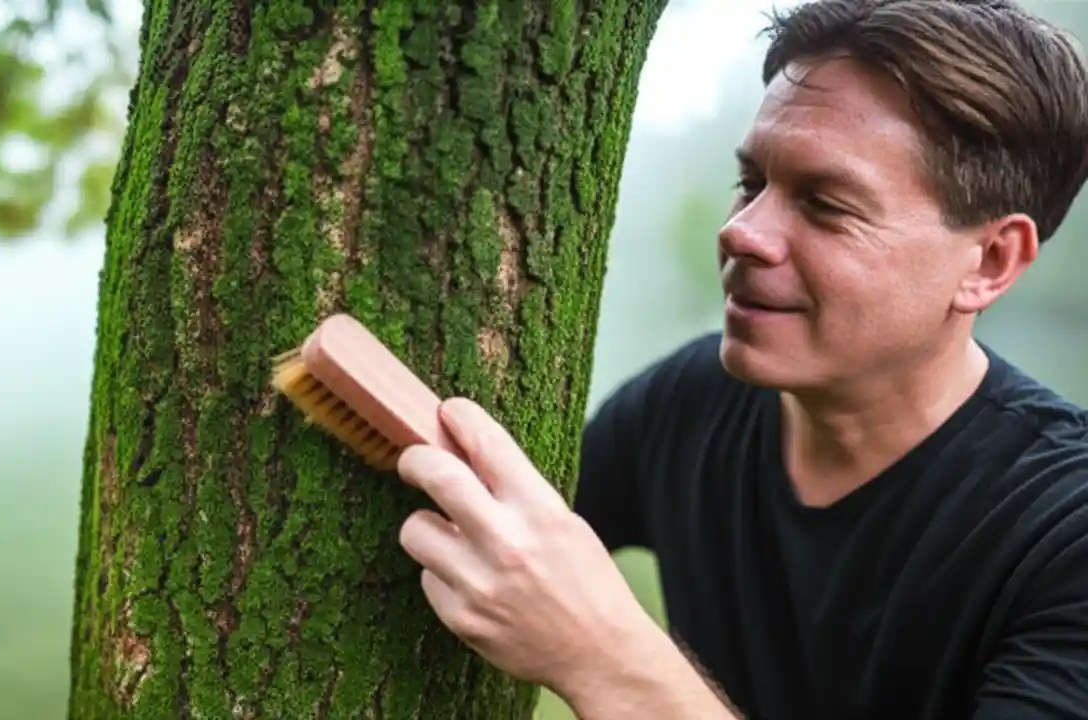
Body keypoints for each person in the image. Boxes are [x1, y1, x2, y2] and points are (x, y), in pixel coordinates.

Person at [392, 0, 1088, 718]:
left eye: (825, 204)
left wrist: (602, 654)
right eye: (753, 183)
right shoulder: (689, 404)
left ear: (991, 261)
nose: (741, 233)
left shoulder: (1064, 535)